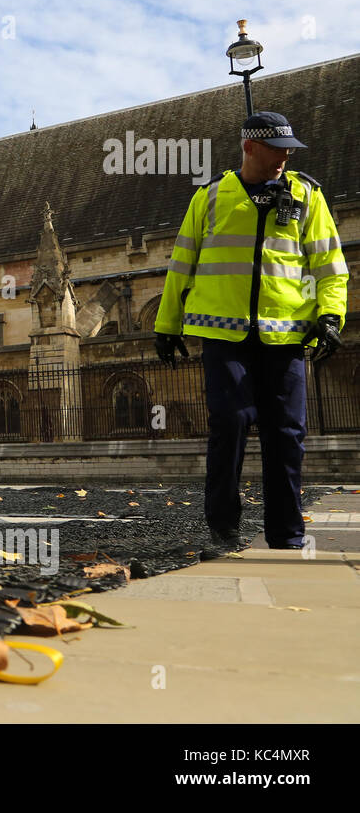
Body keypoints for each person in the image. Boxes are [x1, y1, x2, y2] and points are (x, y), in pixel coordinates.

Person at [155, 111, 347, 550]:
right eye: (277, 148)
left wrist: (332, 314)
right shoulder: (210, 197)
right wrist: (166, 325)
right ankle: (223, 525)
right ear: (250, 146)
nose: (285, 156)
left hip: (286, 335)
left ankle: (287, 532)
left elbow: (330, 267)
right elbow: (181, 263)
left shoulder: (307, 196)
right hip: (224, 335)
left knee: (287, 433)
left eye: (289, 149)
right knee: (231, 422)